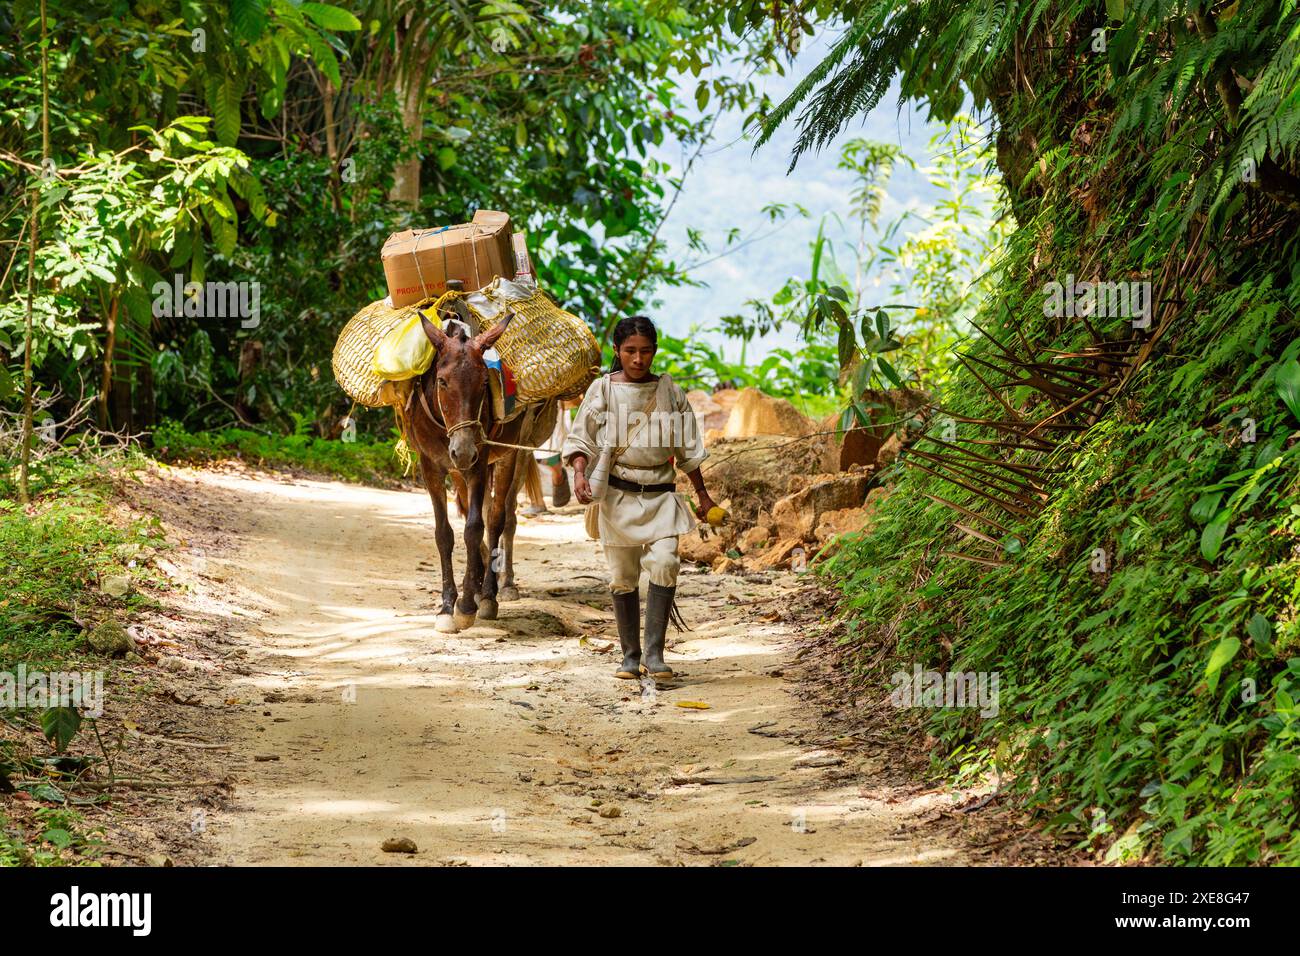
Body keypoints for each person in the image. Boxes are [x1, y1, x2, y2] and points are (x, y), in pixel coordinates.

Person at [561, 316, 718, 682]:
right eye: (630, 351)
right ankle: (630, 657)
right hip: (617, 497)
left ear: (654, 352)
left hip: (661, 495)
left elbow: (688, 450)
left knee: (665, 562)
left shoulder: (669, 392)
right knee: (623, 576)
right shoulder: (602, 390)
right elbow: (581, 438)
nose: (638, 359)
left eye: (645, 351)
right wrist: (580, 473)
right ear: (617, 351)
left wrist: (704, 497)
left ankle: (655, 654)